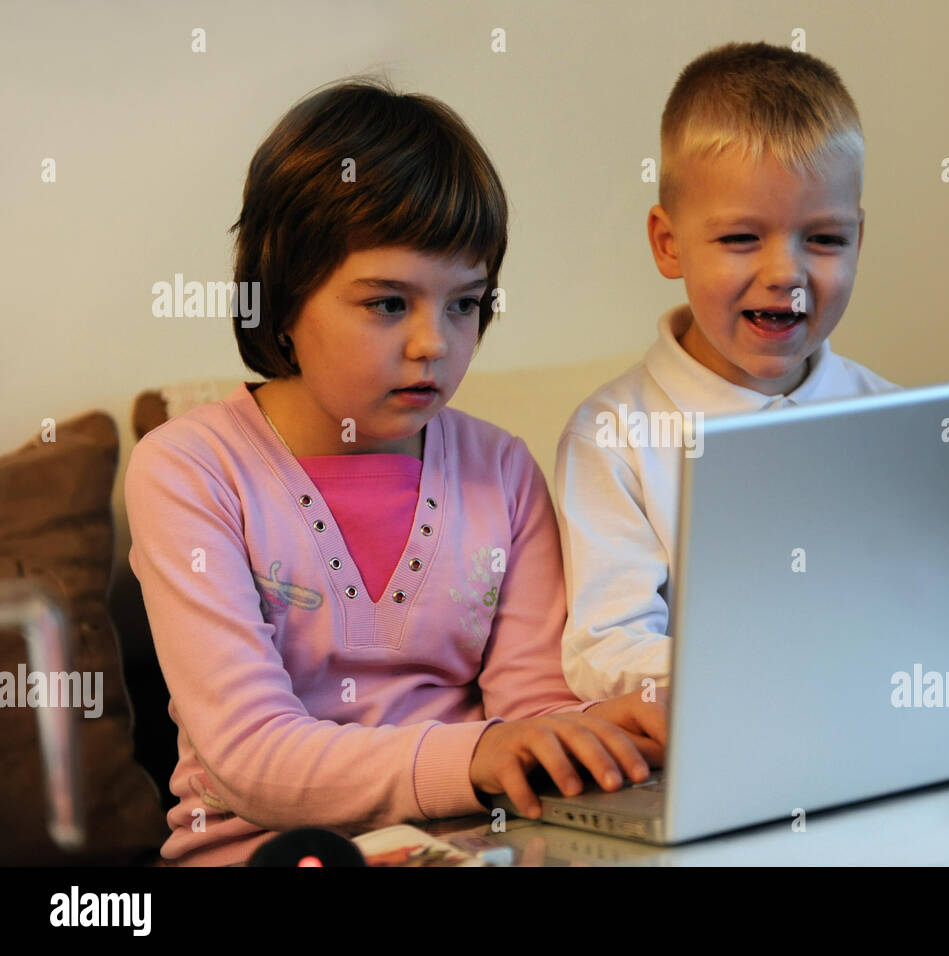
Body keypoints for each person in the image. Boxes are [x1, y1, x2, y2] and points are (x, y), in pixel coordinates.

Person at [124, 77, 665, 866]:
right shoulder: (188, 470)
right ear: (279, 300)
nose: (434, 344)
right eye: (387, 304)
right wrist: (476, 756)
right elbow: (249, 755)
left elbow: (535, 711)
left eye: (464, 304)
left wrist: (612, 728)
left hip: (467, 847)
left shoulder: (504, 471)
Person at [555, 42, 902, 701]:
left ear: (858, 240)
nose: (784, 275)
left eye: (824, 239)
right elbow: (606, 647)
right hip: (722, 740)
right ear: (668, 244)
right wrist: (770, 683)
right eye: (742, 238)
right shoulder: (613, 437)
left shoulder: (896, 417)